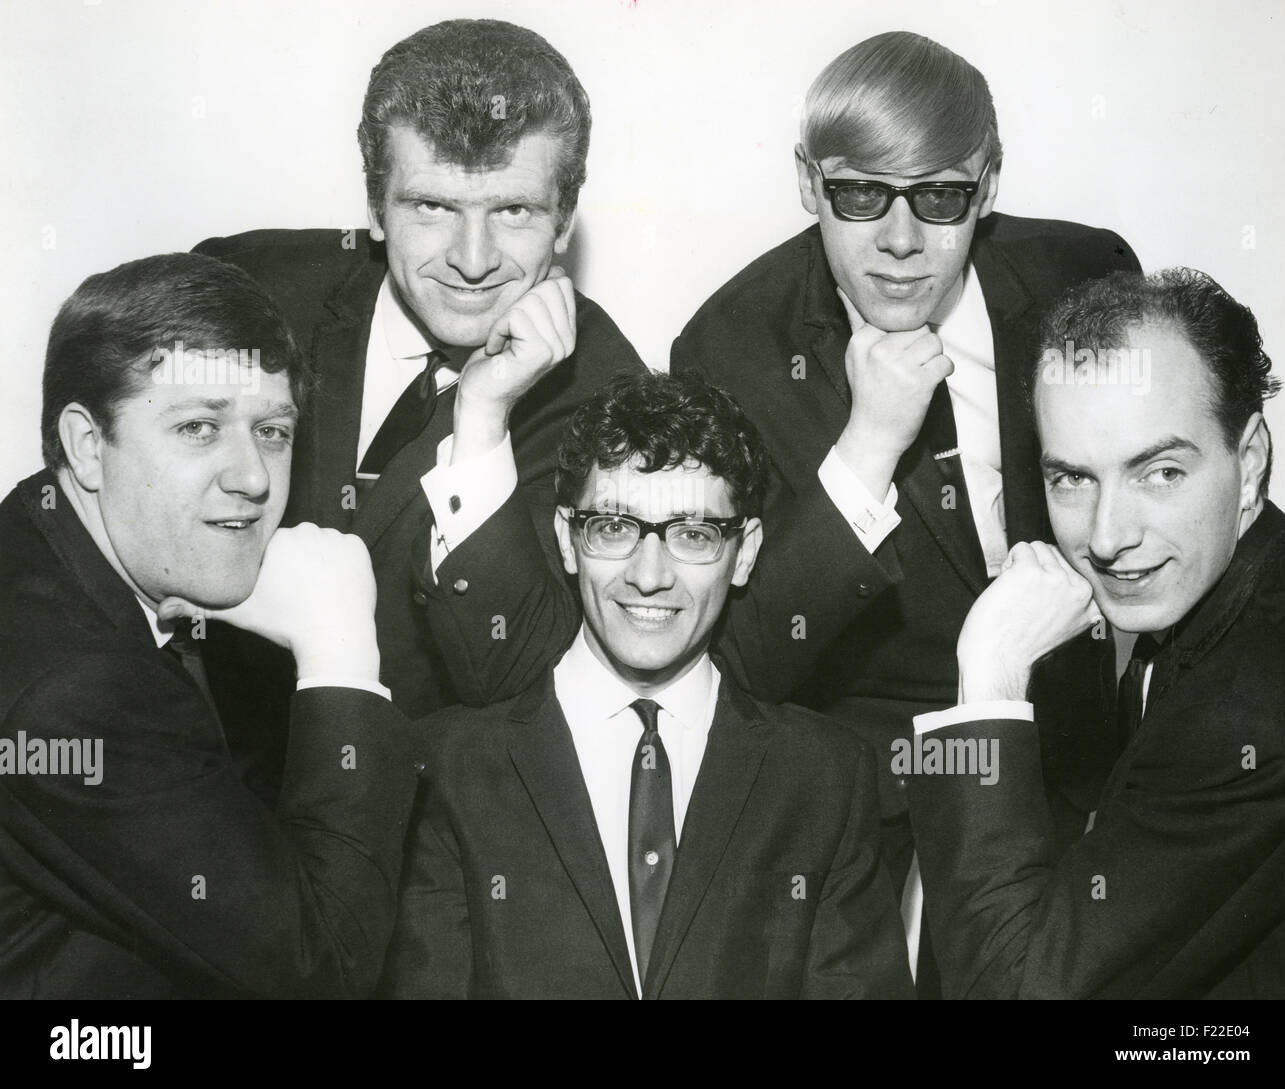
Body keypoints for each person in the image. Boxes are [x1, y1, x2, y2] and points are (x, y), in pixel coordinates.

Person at [404, 30, 1142, 987]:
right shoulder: (735, 343)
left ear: (990, 185)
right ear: (807, 183)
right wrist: (867, 450)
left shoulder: (1081, 276)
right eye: (860, 195)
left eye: (942, 197)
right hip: (877, 817)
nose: (903, 239)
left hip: (1098, 769)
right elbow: (720, 645)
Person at [378, 373, 913, 999]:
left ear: (744, 554)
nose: (649, 575)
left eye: (693, 535)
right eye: (614, 527)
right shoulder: (446, 769)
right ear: (567, 541)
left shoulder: (824, 776)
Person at [193, 19, 645, 720]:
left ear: (563, 223)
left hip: (416, 805)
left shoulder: (609, 391)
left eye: (515, 210)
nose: (472, 259)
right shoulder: (247, 288)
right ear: (376, 204)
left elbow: (526, 683)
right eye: (432, 206)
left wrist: (484, 419)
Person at [0, 253, 421, 999]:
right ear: (88, 445)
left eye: (273, 430)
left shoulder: (45, 542)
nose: (254, 476)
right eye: (199, 427)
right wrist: (340, 652)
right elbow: (324, 967)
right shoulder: (80, 692)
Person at [908, 268, 1285, 997]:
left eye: (1160, 473)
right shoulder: (1206, 610)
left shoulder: (1245, 712)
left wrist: (988, 677)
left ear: (1248, 463)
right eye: (1072, 479)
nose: (1109, 537)